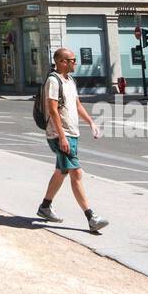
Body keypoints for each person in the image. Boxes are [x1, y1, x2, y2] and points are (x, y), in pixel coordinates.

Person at [37, 47, 108, 232]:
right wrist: (61, 137)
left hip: (72, 133)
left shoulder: (70, 80)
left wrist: (91, 122)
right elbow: (52, 110)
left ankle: (45, 206)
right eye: (72, 60)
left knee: (62, 171)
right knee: (76, 173)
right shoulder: (53, 81)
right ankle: (91, 217)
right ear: (62, 62)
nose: (75, 63)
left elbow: (76, 105)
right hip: (60, 134)